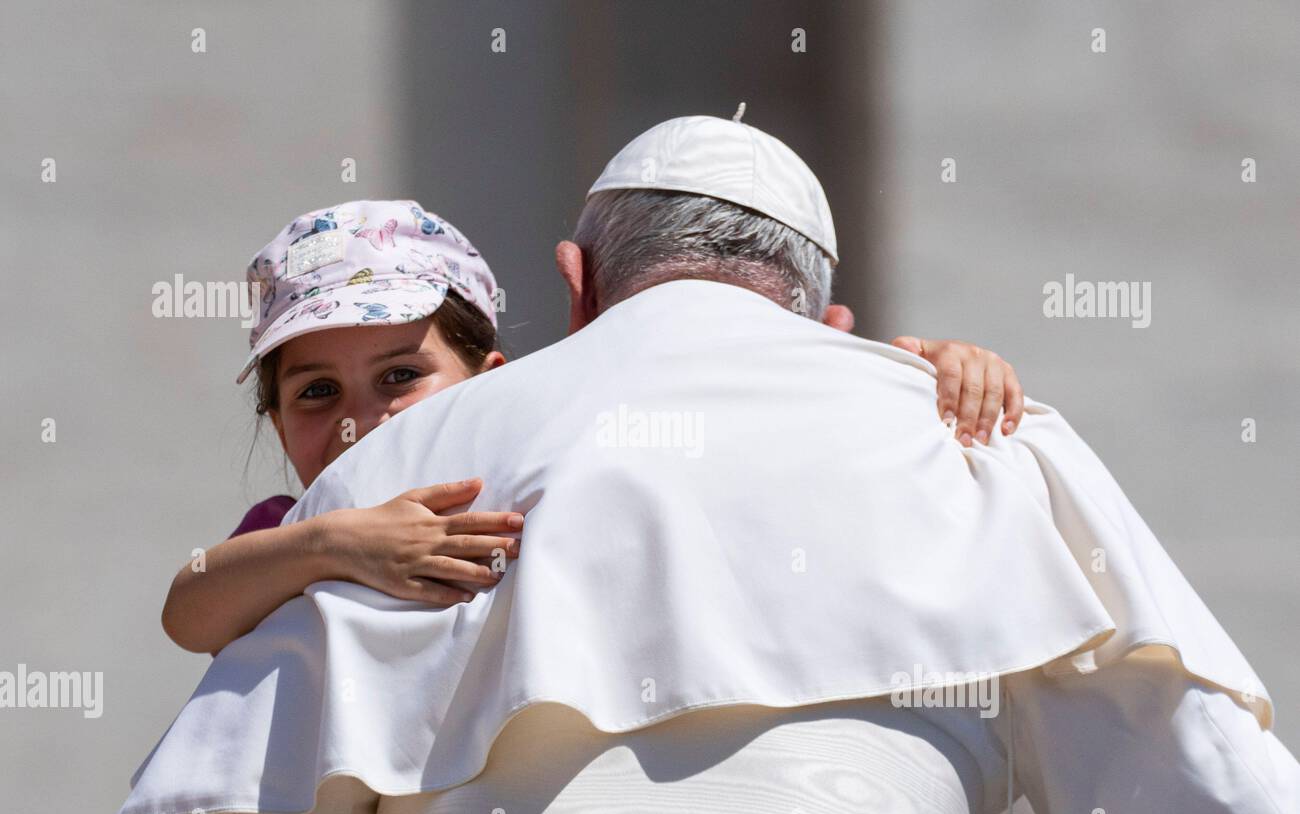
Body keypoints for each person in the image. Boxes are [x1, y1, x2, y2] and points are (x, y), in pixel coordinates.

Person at [113, 116, 1300, 814]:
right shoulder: (975, 432)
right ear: (827, 318)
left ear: (573, 288)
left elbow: (254, 809)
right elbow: (1182, 756)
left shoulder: (399, 478)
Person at [159, 198, 1024, 660]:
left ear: (491, 386)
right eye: (314, 392)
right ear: (273, 421)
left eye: (400, 375)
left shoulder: (545, 466)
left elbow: (733, 426)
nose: (360, 417)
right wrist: (332, 544)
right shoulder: (294, 528)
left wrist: (918, 373)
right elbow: (188, 609)